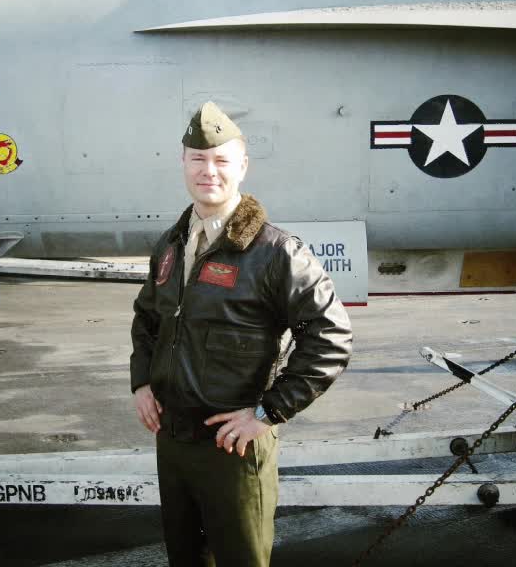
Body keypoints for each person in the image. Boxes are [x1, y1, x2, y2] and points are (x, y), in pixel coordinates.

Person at [129, 101, 353, 567]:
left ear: (243, 166)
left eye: (221, 160)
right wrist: (142, 381)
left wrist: (269, 412)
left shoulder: (276, 252)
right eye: (197, 159)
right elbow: (148, 318)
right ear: (183, 163)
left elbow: (329, 336)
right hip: (173, 441)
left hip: (234, 447)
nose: (208, 171)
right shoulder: (171, 244)